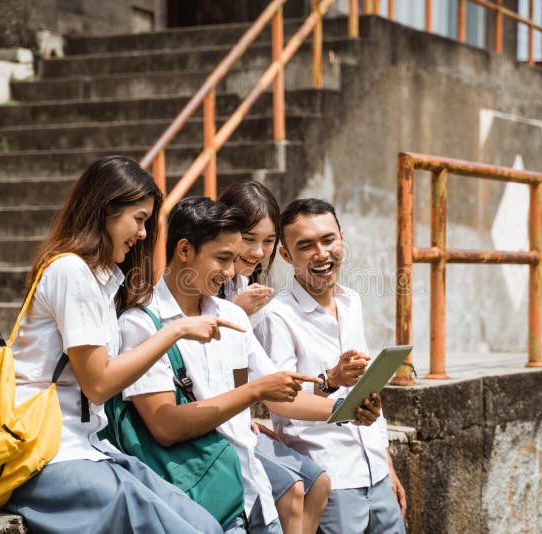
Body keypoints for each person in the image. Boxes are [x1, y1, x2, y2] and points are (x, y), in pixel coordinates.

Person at [118, 196, 383, 534]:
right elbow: (165, 426)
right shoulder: (141, 324)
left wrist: (345, 408)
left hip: (253, 489)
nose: (231, 273)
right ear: (184, 250)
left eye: (234, 260)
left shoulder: (231, 315)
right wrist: (253, 392)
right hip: (201, 501)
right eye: (222, 259)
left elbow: (279, 392)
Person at [5, 156, 228, 533]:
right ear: (107, 210)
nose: (142, 233)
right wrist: (173, 332)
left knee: (202, 523)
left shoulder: (101, 279)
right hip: (46, 453)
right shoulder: (70, 271)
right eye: (139, 219)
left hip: (88, 446)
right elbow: (99, 384)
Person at [254, 198, 408, 534]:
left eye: (328, 240)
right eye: (305, 245)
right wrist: (334, 387)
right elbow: (279, 401)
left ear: (342, 238)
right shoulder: (276, 317)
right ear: (286, 255)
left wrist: (387, 465)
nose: (321, 254)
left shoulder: (351, 301)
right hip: (331, 477)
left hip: (376, 474)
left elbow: (368, 391)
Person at [218, 181, 332, 534]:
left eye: (268, 241)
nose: (257, 251)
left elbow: (247, 371)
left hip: (236, 416)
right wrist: (236, 313)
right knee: (293, 488)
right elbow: (194, 356)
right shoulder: (209, 284)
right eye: (248, 239)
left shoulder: (241, 285)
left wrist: (245, 414)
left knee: (319, 483)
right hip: (206, 420)